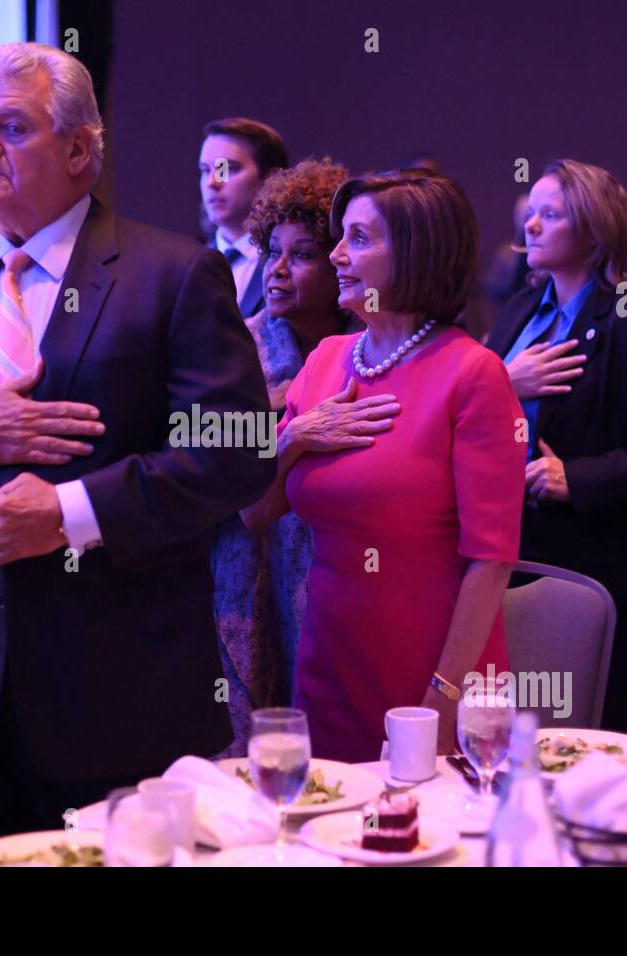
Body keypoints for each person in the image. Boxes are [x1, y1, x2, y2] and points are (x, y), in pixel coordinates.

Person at [0, 42, 273, 865]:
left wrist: (71, 513)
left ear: (81, 148)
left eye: (11, 127)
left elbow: (235, 452)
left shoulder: (172, 275)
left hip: (125, 704)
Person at [242, 169, 524, 760]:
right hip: (326, 664)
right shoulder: (325, 360)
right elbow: (253, 512)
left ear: (419, 252)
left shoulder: (472, 374)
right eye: (340, 237)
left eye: (360, 239)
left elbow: (491, 562)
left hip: (431, 673)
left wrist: (442, 699)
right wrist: (292, 437)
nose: (339, 255)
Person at [485, 159, 627, 746]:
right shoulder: (517, 313)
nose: (530, 225)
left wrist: (576, 479)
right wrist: (502, 381)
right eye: (531, 212)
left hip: (613, 567)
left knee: (611, 742)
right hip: (521, 559)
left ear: (592, 229)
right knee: (531, 738)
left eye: (550, 214)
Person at [211, 157, 357, 752]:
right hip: (249, 575)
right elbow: (235, 497)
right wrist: (293, 438)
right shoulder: (234, 350)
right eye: (271, 251)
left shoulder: (366, 350)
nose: (276, 270)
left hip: (340, 576)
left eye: (301, 255)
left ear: (337, 261)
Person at [198, 117, 289, 317]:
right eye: (205, 170)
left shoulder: (291, 265)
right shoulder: (188, 265)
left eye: (227, 169)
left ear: (270, 179)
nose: (212, 182)